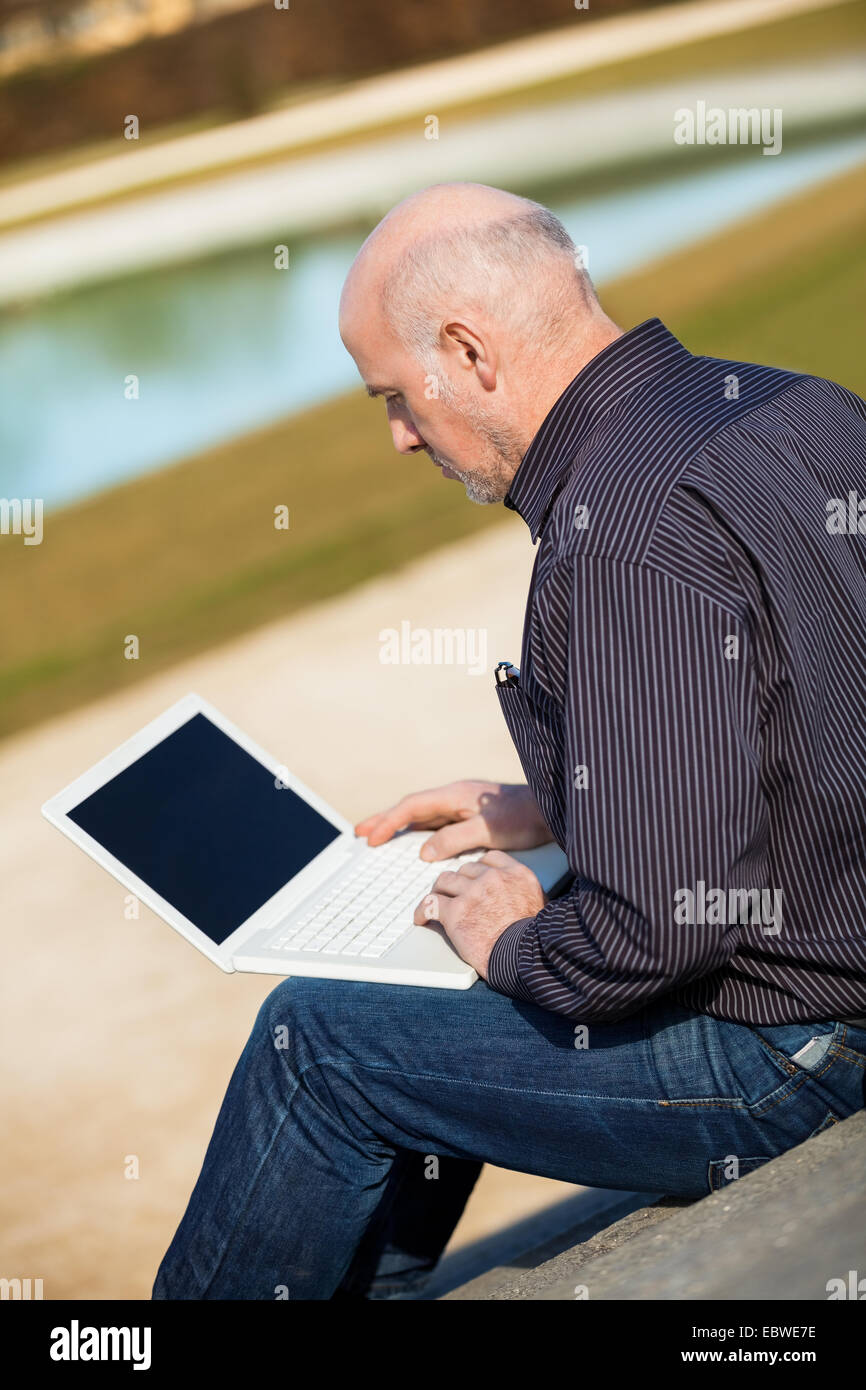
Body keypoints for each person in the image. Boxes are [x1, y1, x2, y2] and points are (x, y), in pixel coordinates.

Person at [153, 182, 866, 1300]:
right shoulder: (795, 405)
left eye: (395, 395)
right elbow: (820, 682)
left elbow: (655, 933)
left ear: (467, 353)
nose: (397, 437)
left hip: (794, 1050)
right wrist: (570, 797)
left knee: (318, 1040)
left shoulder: (619, 531)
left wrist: (508, 946)